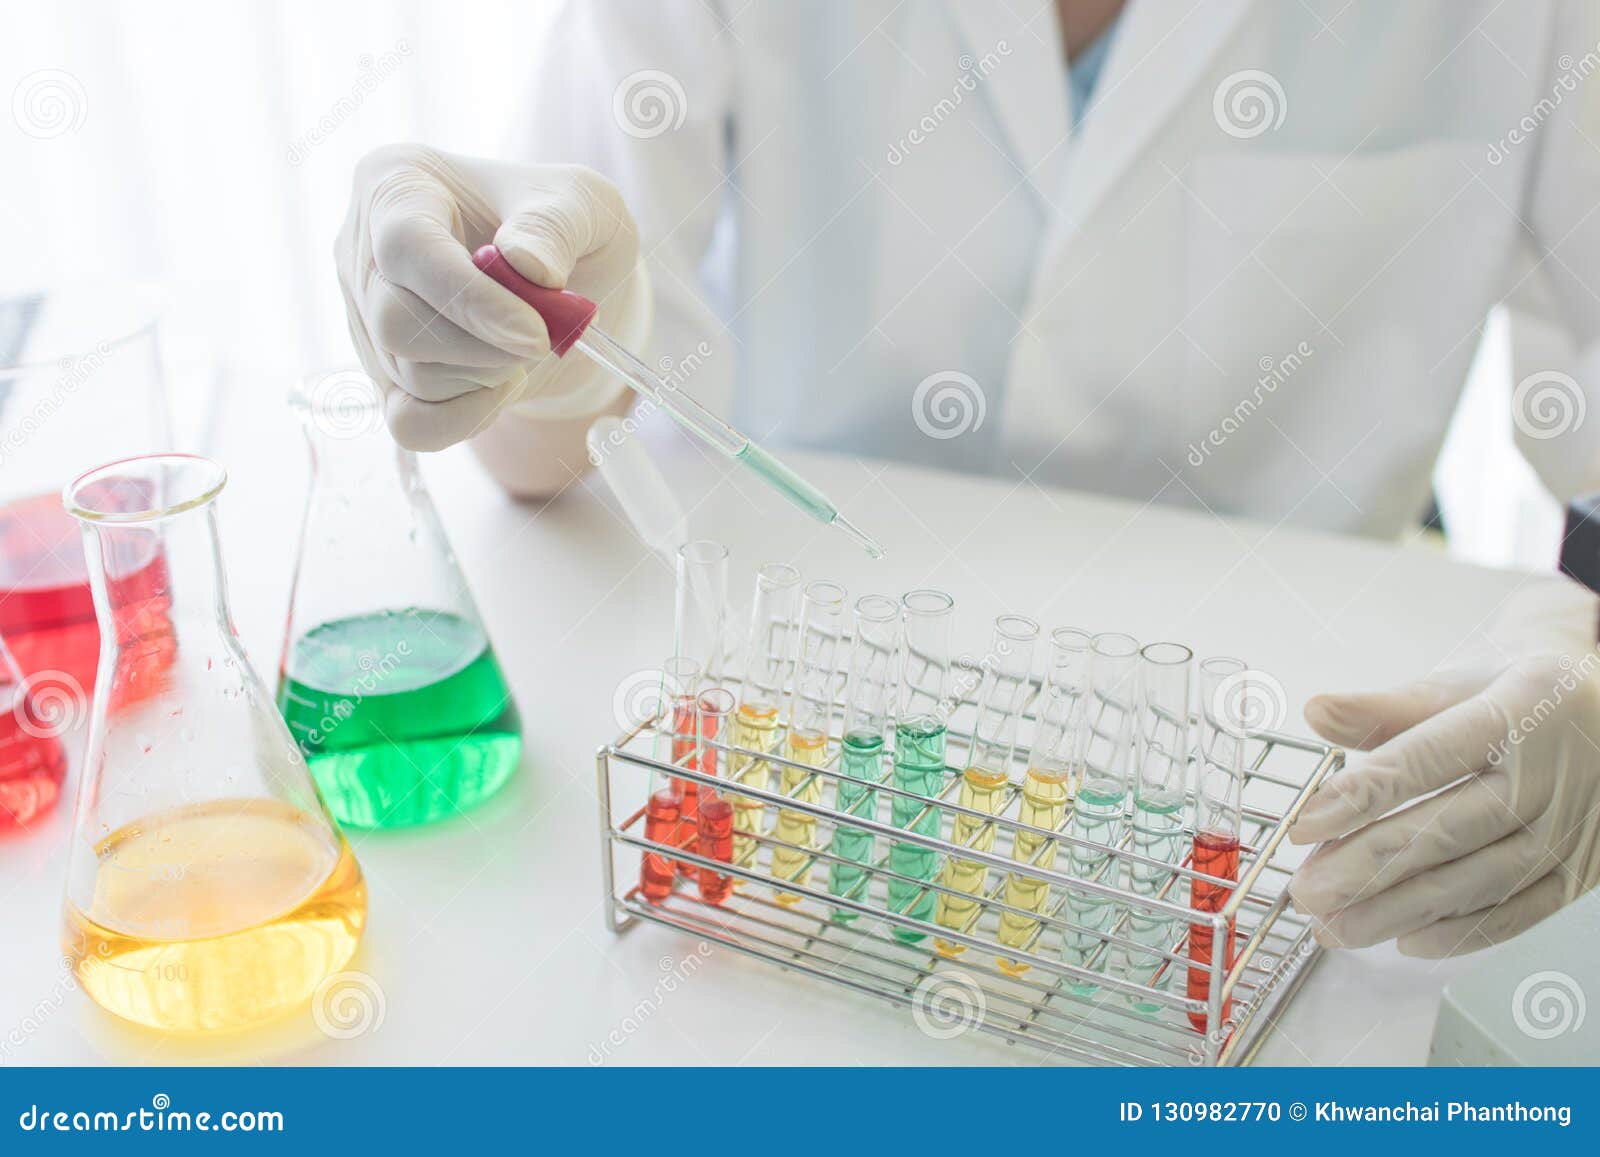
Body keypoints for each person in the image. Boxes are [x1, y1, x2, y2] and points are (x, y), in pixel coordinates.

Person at [334, 0, 1600, 954]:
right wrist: (516, 350)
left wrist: (1587, 637)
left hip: (1284, 750)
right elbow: (541, 451)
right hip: (806, 716)